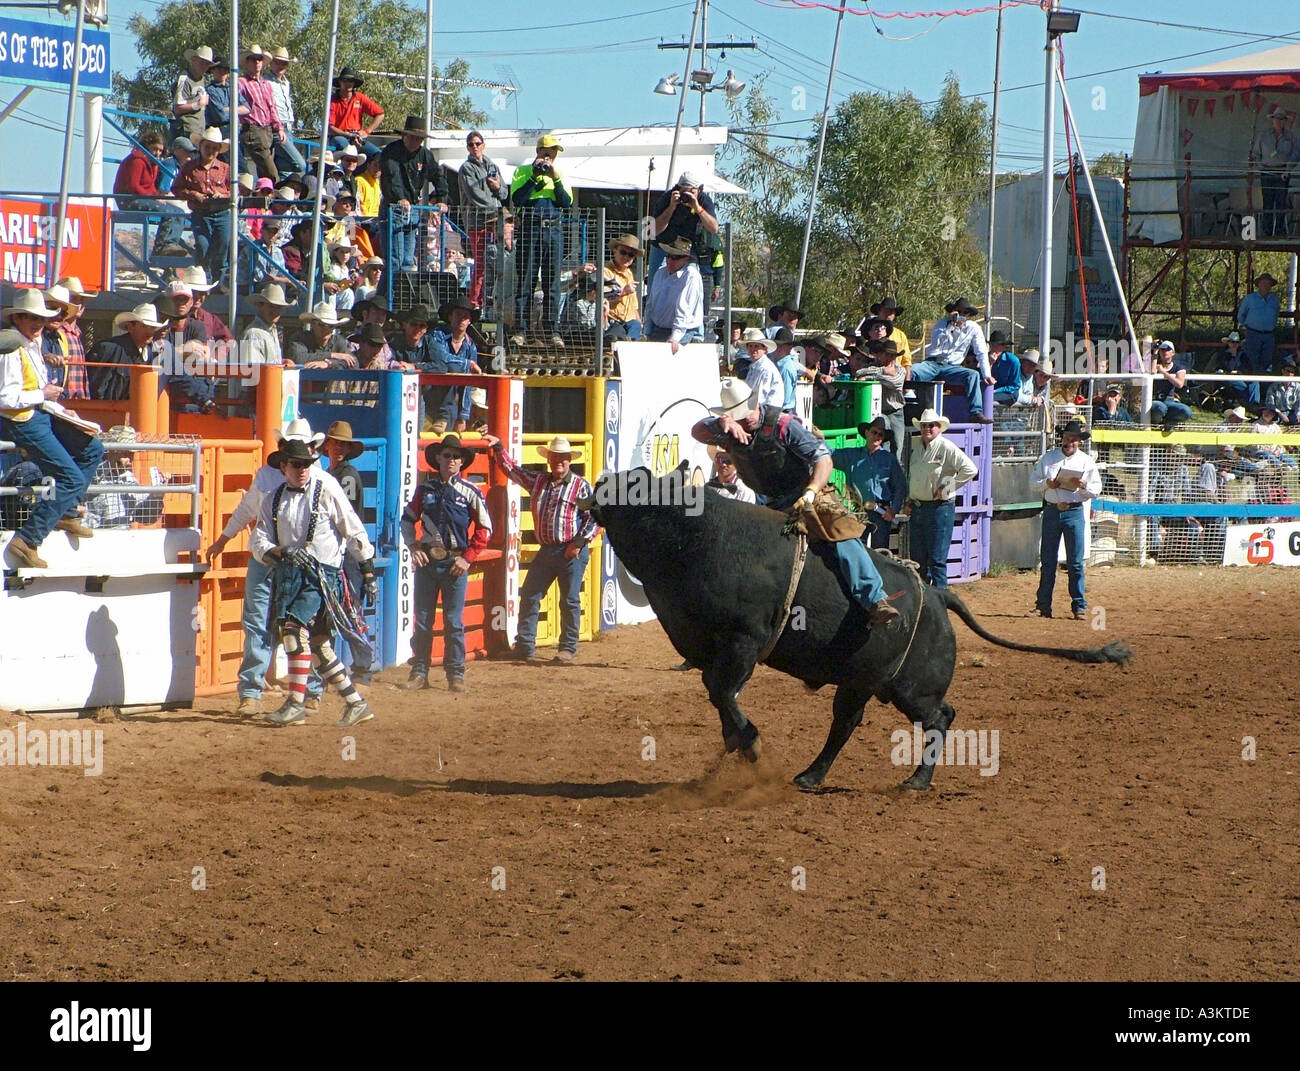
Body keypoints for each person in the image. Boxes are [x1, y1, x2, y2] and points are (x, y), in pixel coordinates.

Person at [691, 377, 900, 626]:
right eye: (737, 416)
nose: (745, 419)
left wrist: (811, 490)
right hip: (769, 502)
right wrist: (722, 422)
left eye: (746, 413)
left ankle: (874, 599)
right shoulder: (728, 430)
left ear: (756, 404)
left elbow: (823, 458)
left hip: (804, 494)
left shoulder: (783, 425)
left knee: (840, 532)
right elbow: (697, 431)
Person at [250, 428, 377, 727]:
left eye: (306, 463)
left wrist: (367, 569)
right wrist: (279, 552)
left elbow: (352, 526)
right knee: (318, 645)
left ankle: (296, 702)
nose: (302, 469)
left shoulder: (327, 486)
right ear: (284, 466)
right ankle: (355, 703)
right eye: (296, 464)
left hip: (321, 577)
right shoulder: (272, 498)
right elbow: (258, 540)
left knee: (293, 631)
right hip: (290, 576)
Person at [0, 307, 104, 570]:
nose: (39, 323)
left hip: (39, 414)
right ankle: (27, 539)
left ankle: (65, 512)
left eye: (41, 319)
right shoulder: (11, 349)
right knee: (70, 478)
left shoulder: (31, 343)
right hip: (21, 420)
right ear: (17, 318)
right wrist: (44, 396)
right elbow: (5, 398)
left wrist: (61, 410)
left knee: (93, 449)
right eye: (33, 318)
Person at [484, 434, 597, 664]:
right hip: (548, 549)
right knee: (530, 595)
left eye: (563, 458)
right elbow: (513, 470)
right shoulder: (539, 481)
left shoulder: (580, 486)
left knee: (569, 600)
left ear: (569, 460)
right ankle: (525, 646)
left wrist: (578, 543)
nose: (559, 462)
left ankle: (567, 648)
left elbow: (594, 517)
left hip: (570, 549)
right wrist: (499, 449)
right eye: (555, 457)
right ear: (549, 459)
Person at [401, 434, 493, 693]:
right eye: (447, 455)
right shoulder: (425, 490)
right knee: (423, 620)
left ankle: (455, 674)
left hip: (455, 561)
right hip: (429, 560)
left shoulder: (471, 492)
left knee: (453, 621)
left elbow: (486, 528)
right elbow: (407, 519)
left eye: (456, 456)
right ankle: (419, 672)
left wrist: (468, 558)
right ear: (438, 459)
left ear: (462, 462)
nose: (451, 460)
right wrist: (414, 546)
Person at [320, 421, 377, 684]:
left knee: (349, 608)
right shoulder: (334, 474)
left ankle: (362, 668)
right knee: (334, 610)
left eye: (343, 444)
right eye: (336, 443)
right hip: (338, 551)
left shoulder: (345, 476)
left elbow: (345, 519)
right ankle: (337, 668)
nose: (339, 448)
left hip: (346, 552)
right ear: (328, 445)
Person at [1030, 419, 1102, 620]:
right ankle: (1043, 605)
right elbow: (1033, 482)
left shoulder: (1086, 461)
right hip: (1053, 510)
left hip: (1074, 510)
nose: (1070, 441)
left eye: (1074, 438)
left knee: (1076, 562)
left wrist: (1083, 485)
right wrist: (1047, 484)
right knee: (1048, 560)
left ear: (1079, 441)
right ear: (1063, 437)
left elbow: (1096, 489)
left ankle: (1079, 605)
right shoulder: (1048, 458)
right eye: (1068, 437)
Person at [509, 134, 572, 348]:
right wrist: (534, 177)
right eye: (546, 152)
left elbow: (566, 203)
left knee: (552, 283)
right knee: (525, 281)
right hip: (530, 229)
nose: (549, 157)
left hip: (553, 231)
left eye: (553, 152)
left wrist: (555, 178)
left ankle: (552, 331)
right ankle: (521, 330)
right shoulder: (523, 171)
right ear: (538, 152)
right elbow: (518, 199)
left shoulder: (560, 174)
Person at [903, 408, 978, 588]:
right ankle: (924, 601)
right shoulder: (916, 447)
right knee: (919, 560)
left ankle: (940, 603)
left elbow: (970, 469)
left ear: (939, 427)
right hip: (918, 507)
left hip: (939, 508)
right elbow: (912, 477)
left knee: (937, 561)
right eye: (924, 425)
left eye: (931, 425)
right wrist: (908, 500)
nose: (927, 428)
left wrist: (947, 488)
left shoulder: (946, 446)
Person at [380, 115, 448, 276]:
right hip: (394, 208)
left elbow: (438, 176)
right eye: (413, 137)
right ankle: (386, 298)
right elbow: (392, 178)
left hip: (412, 209)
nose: (416, 142)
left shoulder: (425, 155)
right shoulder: (391, 152)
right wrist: (399, 198)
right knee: (395, 260)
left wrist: (441, 199)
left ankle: (399, 298)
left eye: (419, 138)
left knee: (408, 261)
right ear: (404, 135)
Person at [910, 297, 994, 424]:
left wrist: (987, 374)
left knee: (973, 375)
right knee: (911, 371)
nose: (961, 315)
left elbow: (981, 352)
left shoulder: (974, 328)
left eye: (964, 313)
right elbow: (937, 343)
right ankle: (906, 400)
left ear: (969, 315)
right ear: (953, 312)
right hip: (933, 363)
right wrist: (951, 327)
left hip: (952, 367)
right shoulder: (942, 323)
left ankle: (975, 413)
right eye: (958, 312)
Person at [647, 172, 720, 315]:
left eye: (691, 190)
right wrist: (671, 208)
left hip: (687, 250)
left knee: (692, 283)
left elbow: (714, 228)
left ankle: (695, 329)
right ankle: (651, 324)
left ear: (700, 189)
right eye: (683, 190)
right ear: (678, 188)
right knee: (656, 285)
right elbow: (654, 230)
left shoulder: (703, 200)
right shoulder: (668, 198)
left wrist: (697, 207)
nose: (686, 194)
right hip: (663, 246)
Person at [832, 416, 906, 549]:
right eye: (874, 432)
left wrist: (893, 509)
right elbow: (829, 454)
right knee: (857, 549)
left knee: (881, 552)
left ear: (883, 439)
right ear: (867, 433)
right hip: (859, 511)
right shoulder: (852, 455)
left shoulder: (889, 459)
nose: (876, 436)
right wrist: (818, 439)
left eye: (880, 434)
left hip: (882, 511)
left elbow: (900, 486)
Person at [173, 127, 233, 286]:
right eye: (208, 147)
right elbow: (176, 188)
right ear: (200, 146)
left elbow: (235, 192)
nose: (211, 151)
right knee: (202, 245)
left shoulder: (226, 169)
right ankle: (201, 280)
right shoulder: (189, 167)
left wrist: (222, 195)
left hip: (222, 213)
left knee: (222, 246)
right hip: (200, 214)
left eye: (214, 148)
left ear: (219, 150)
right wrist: (194, 195)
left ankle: (217, 283)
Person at [113, 131, 190, 256]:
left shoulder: (152, 163)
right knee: (169, 212)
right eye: (155, 149)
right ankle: (161, 248)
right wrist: (154, 197)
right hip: (128, 200)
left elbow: (150, 187)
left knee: (179, 212)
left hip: (143, 198)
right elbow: (134, 186)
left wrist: (155, 196)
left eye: (160, 150)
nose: (157, 153)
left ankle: (170, 244)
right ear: (146, 145)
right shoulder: (137, 160)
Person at [456, 130, 509, 311]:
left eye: (478, 143)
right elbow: (475, 195)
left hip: (494, 223)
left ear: (483, 145)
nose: (475, 147)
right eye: (471, 144)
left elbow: (503, 193)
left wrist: (498, 187)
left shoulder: (492, 165)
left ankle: (488, 302)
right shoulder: (466, 169)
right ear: (467, 147)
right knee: (480, 264)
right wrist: (496, 209)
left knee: (494, 264)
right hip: (477, 222)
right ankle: (474, 302)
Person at [426, 297, 483, 433]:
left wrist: (462, 417)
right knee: (451, 369)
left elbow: (467, 385)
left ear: (469, 321)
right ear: (450, 317)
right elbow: (441, 359)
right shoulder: (437, 335)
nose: (461, 319)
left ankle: (446, 419)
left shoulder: (470, 347)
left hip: (451, 404)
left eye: (465, 316)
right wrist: (468, 364)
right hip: (429, 395)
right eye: (458, 314)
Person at [88, 303, 166, 400]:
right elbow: (96, 390)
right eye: (144, 327)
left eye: (152, 328)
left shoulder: (151, 353)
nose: (149, 332)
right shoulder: (109, 350)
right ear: (130, 327)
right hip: (108, 412)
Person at [643, 237, 703, 352]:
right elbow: (651, 305)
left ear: (685, 259)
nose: (670, 260)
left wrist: (675, 337)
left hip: (683, 332)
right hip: (657, 330)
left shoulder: (691, 276)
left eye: (676, 257)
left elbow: (684, 309)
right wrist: (647, 331)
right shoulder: (660, 273)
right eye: (669, 256)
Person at [850, 338, 907, 455]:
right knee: (883, 443)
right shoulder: (873, 366)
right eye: (887, 354)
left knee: (898, 446)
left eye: (893, 356)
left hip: (896, 411)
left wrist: (871, 377)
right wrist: (883, 370)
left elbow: (895, 382)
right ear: (880, 354)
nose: (889, 358)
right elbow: (859, 372)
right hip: (879, 411)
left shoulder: (900, 370)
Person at [236, 45, 282, 183]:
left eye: (259, 59)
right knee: (271, 172)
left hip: (267, 129)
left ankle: (265, 199)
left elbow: (272, 107)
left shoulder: (266, 84)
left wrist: (278, 127)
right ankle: (280, 198)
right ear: (247, 62)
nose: (257, 62)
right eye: (253, 59)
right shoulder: (241, 83)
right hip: (252, 128)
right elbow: (236, 104)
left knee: (265, 173)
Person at [1251, 106, 1298, 238]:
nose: (1279, 122)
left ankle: (1279, 230)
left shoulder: (1291, 137)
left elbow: (1295, 154)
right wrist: (1261, 167)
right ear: (1272, 120)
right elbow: (1255, 153)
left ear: (1285, 121)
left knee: (1281, 201)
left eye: (1281, 119)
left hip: (1282, 171)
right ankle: (1267, 230)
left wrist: (1288, 170)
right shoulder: (1263, 135)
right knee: (1268, 201)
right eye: (1276, 119)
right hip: (1267, 171)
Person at [41, 279, 92, 401]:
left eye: (82, 300)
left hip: (70, 400)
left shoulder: (71, 334)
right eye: (74, 300)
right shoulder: (50, 333)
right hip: (58, 400)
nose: (80, 305)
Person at [1236, 272, 1281, 396]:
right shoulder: (1250, 299)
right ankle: (1253, 395)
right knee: (1252, 363)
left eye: (1268, 283)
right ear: (1258, 285)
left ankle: (1266, 394)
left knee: (1267, 365)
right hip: (1253, 334)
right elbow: (1241, 315)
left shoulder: (1275, 300)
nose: (1266, 285)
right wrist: (1248, 328)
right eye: (1264, 283)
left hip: (1269, 335)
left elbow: (1276, 315)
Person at [266, 46, 307, 177]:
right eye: (277, 62)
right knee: (300, 164)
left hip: (289, 127)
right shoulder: (266, 82)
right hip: (277, 127)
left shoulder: (286, 83)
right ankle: (271, 166)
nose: (281, 66)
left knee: (286, 173)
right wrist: (277, 127)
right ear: (271, 63)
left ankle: (282, 192)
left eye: (284, 63)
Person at [327, 66, 384, 158]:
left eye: (351, 81)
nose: (348, 83)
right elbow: (330, 128)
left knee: (379, 156)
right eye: (345, 80)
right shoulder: (332, 100)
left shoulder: (360, 98)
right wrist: (349, 135)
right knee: (347, 149)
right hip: (339, 137)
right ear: (340, 82)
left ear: (354, 83)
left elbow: (380, 114)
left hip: (357, 137)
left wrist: (366, 131)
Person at [286, 302, 355, 368]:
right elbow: (298, 358)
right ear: (313, 324)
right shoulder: (299, 338)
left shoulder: (338, 341)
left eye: (331, 326)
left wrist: (329, 363)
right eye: (321, 325)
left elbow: (354, 362)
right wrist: (332, 355)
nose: (326, 330)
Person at [603, 234, 643, 343]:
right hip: (612, 321)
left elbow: (634, 306)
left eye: (631, 255)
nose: (626, 257)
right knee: (616, 335)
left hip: (630, 322)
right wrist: (624, 291)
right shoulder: (605, 271)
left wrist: (639, 323)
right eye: (623, 252)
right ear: (615, 250)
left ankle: (629, 341)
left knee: (635, 326)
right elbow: (603, 298)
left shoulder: (629, 273)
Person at [171, 45, 213, 146]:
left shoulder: (202, 79)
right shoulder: (184, 78)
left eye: (207, 64)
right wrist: (198, 104)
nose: (204, 66)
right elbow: (178, 108)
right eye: (202, 62)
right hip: (186, 131)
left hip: (199, 132)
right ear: (193, 60)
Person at [243, 283, 293, 368]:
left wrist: (282, 362)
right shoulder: (254, 334)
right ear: (260, 305)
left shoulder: (272, 331)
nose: (275, 311)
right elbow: (254, 371)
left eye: (279, 307)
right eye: (271, 306)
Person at [1148, 340, 1193, 430]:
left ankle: (1169, 422)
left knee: (1186, 411)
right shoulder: (1156, 365)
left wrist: (1164, 373)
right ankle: (1155, 425)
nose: (1165, 352)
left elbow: (1179, 384)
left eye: (1167, 350)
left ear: (1173, 352)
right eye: (1162, 350)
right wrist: (1155, 352)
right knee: (1159, 407)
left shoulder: (1179, 367)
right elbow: (1152, 372)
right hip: (1156, 400)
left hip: (1170, 400)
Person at [738, 327, 781, 408]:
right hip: (758, 408)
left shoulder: (765, 368)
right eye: (750, 346)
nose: (753, 349)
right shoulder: (754, 366)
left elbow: (762, 396)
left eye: (756, 346)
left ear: (764, 349)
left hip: (766, 410)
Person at [868, 296, 913, 367]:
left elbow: (906, 360)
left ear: (894, 315)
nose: (888, 314)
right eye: (885, 311)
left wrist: (907, 377)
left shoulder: (901, 335)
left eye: (891, 312)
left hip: (896, 373)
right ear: (879, 311)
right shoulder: (870, 331)